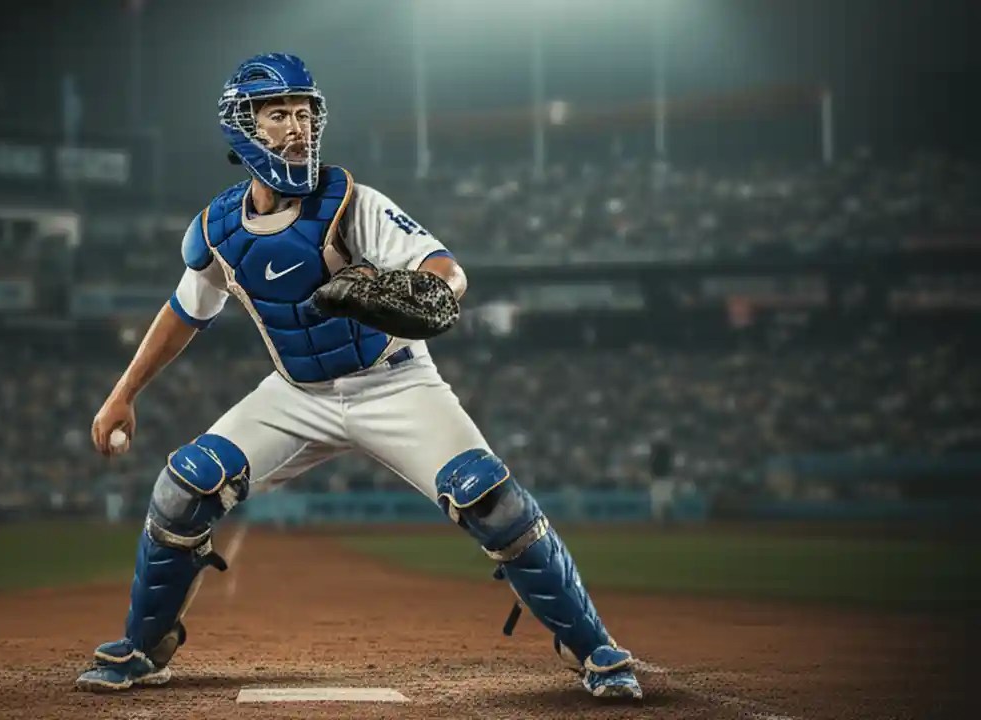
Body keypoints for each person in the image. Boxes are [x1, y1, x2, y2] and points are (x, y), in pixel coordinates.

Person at [75, 53, 642, 700]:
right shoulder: (217, 231)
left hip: (393, 380)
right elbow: (183, 314)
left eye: (305, 113)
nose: (297, 128)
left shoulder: (351, 201)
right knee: (184, 487)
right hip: (297, 394)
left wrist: (398, 289)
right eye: (279, 114)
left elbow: (445, 273)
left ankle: (594, 647)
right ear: (243, 126)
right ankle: (144, 645)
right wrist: (123, 394)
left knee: (489, 497)